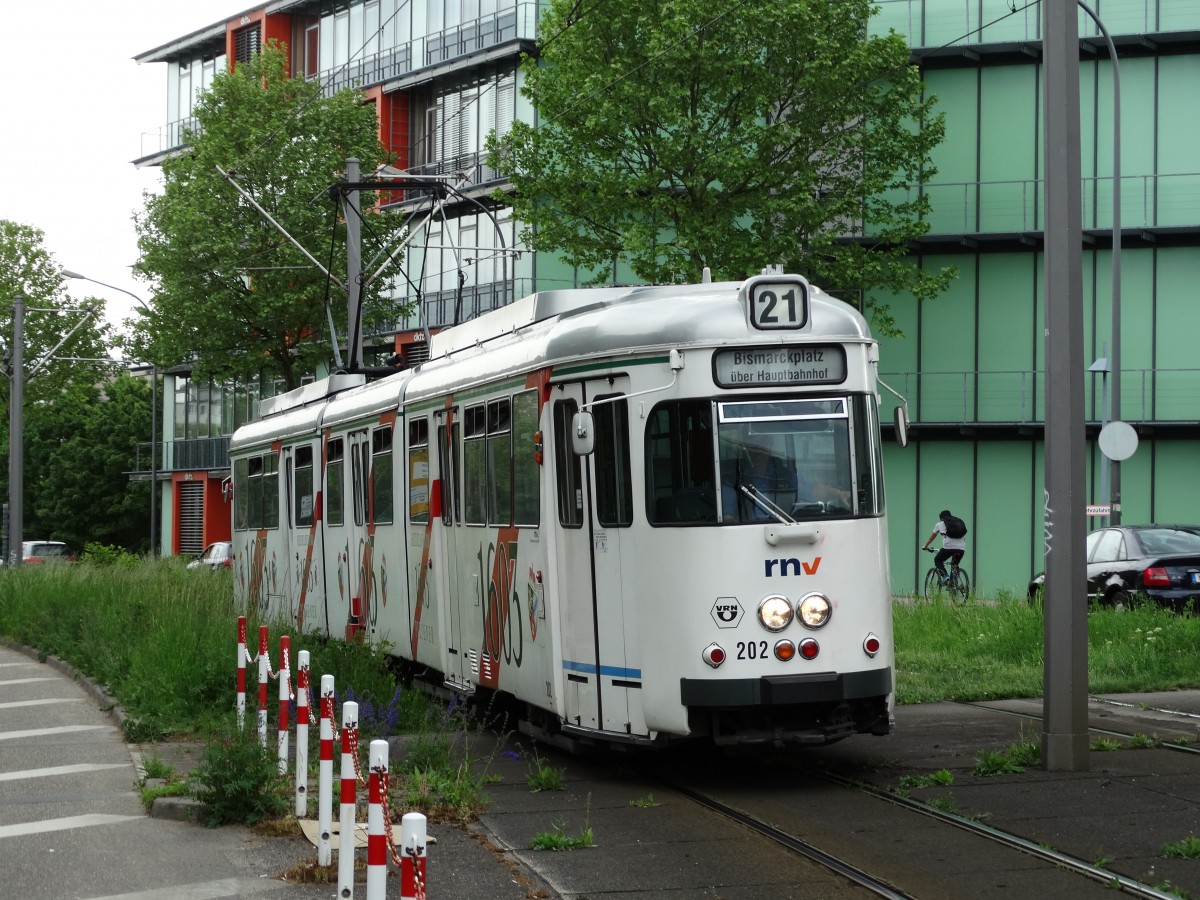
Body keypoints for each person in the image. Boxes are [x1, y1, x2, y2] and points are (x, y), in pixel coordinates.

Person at [922, 509, 966, 581]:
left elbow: (931, 538)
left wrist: (925, 546)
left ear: (942, 518)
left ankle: (945, 576)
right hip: (961, 548)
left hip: (948, 548)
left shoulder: (939, 524)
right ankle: (953, 585)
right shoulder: (957, 523)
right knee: (954, 564)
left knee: (938, 560)